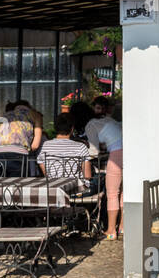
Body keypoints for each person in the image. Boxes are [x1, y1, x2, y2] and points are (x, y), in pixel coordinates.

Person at [84, 98, 124, 239]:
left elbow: (94, 151)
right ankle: (122, 227)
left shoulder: (91, 125)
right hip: (128, 151)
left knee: (112, 193)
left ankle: (111, 231)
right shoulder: (110, 120)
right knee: (124, 191)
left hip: (116, 153)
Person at [0, 100, 44, 176]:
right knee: (17, 185)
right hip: (17, 153)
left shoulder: (5, 115)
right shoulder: (35, 115)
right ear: (29, 107)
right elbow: (35, 145)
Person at [36, 113, 92, 181]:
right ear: (72, 129)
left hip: (54, 187)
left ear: (55, 128)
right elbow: (87, 176)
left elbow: (46, 174)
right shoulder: (81, 147)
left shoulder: (45, 146)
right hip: (76, 188)